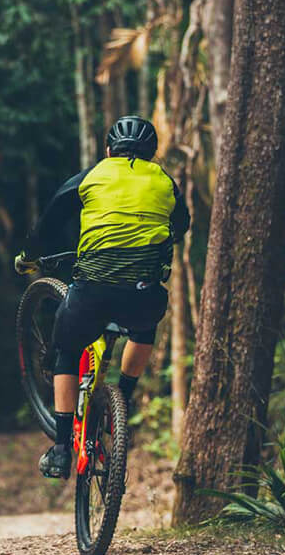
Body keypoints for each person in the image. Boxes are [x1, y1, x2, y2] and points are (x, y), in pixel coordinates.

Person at [14, 115, 189, 479]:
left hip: (91, 296)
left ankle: (62, 448)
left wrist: (28, 259)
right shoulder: (165, 182)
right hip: (144, 297)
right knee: (144, 328)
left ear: (108, 151)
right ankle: (122, 399)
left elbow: (48, 223)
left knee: (66, 351)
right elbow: (181, 226)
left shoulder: (92, 176)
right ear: (152, 155)